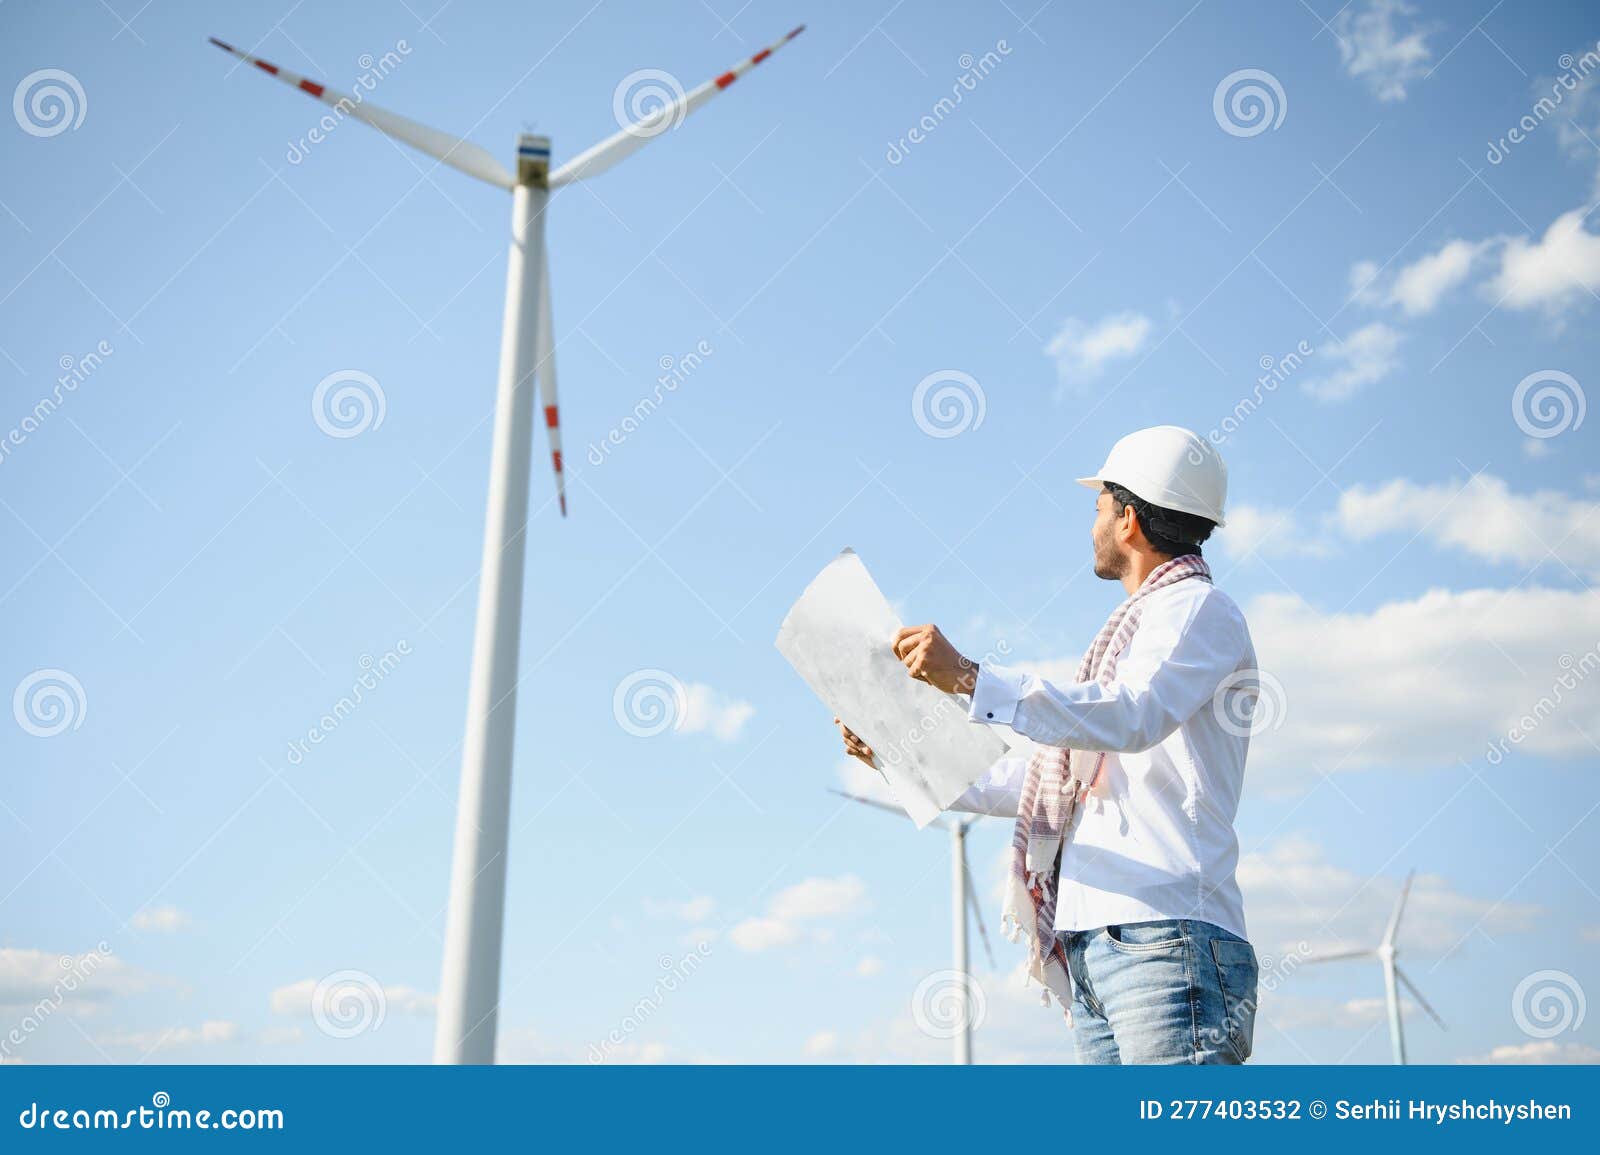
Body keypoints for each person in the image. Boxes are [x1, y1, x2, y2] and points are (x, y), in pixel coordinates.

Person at [836, 426, 1261, 1064]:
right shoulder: (1129, 638)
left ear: (1129, 521)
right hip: (1098, 948)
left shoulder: (1199, 610)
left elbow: (1133, 714)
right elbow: (1035, 780)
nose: (1091, 525)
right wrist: (896, 750)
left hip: (1166, 937)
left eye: (1098, 509)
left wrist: (973, 678)